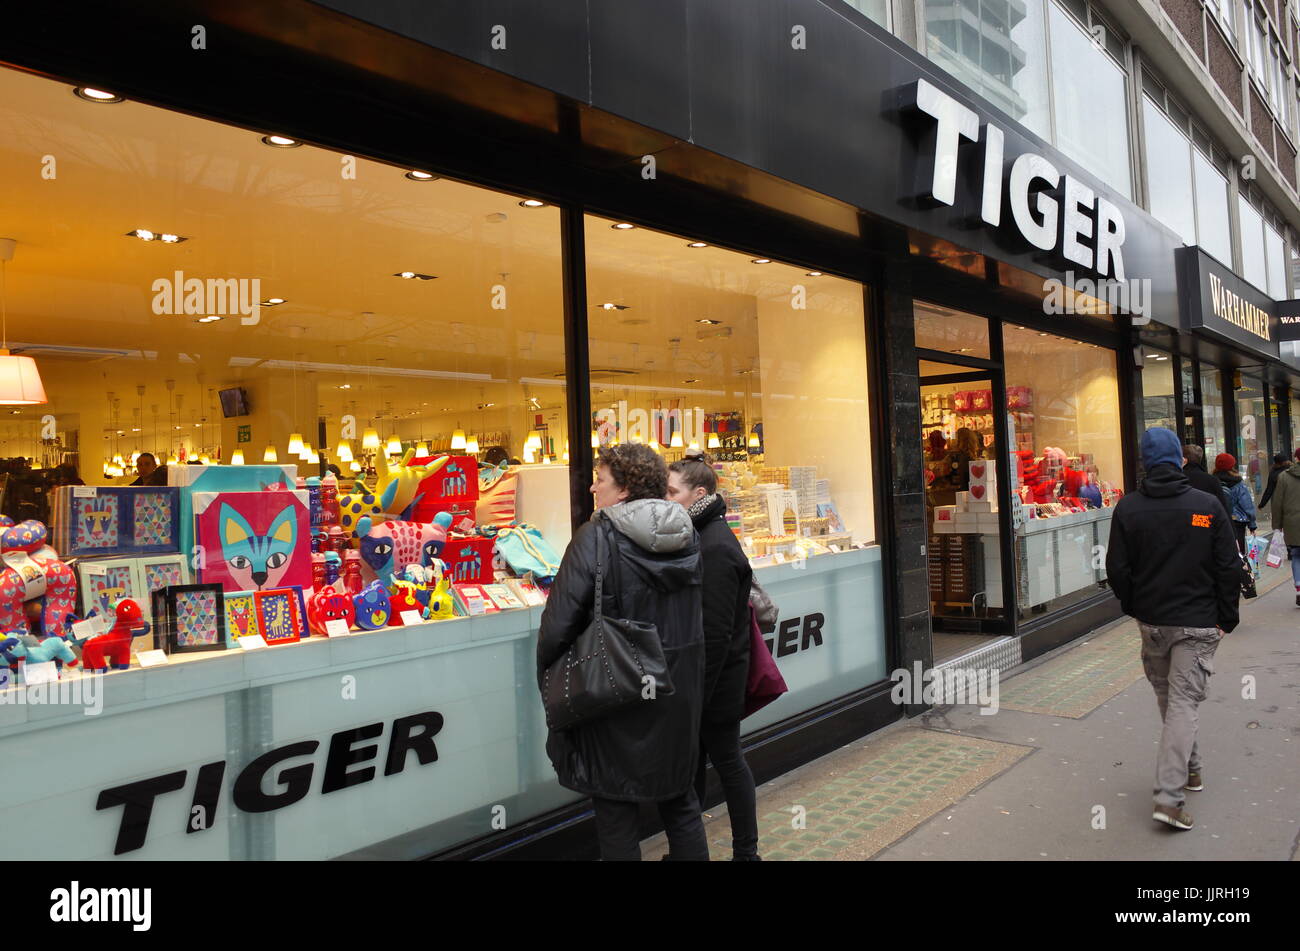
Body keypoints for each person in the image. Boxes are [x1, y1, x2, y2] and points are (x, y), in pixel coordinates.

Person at [536, 443, 707, 860]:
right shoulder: (687, 534)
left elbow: (559, 623)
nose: (593, 487)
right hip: (677, 687)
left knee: (615, 810)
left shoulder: (596, 537)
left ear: (625, 488)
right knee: (680, 801)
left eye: (601, 479)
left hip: (615, 687)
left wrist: (550, 678)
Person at [1106, 428, 1240, 831]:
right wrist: (1226, 617)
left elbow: (1117, 569)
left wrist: (1135, 606)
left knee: (1171, 697)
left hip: (1153, 622)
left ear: (1145, 462)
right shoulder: (1206, 505)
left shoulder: (1128, 509)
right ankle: (1168, 797)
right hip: (1198, 622)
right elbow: (1228, 566)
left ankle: (1192, 768)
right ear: (1179, 459)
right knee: (1181, 701)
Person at [667, 450, 759, 861]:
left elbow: (717, 632)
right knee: (700, 763)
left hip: (715, 683)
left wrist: (697, 693)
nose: (665, 499)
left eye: (671, 492)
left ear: (698, 493)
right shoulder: (698, 534)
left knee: (727, 761)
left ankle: (746, 853)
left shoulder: (715, 545)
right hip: (708, 679)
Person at [1269, 448, 1300, 607]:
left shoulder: (1284, 477)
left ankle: (1299, 588)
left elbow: (1277, 503)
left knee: (1296, 555)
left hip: (1292, 523)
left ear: (1296, 458)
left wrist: (1277, 525)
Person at [1212, 452, 1256, 554]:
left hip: (1217, 520)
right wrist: (1252, 524)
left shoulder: (1212, 481)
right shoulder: (1238, 483)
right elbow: (1247, 505)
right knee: (1239, 550)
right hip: (1237, 521)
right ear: (1232, 465)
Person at [1181, 444, 1229, 518]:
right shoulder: (1212, 480)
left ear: (1184, 459)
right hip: (1206, 522)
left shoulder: (1178, 478)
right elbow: (1222, 508)